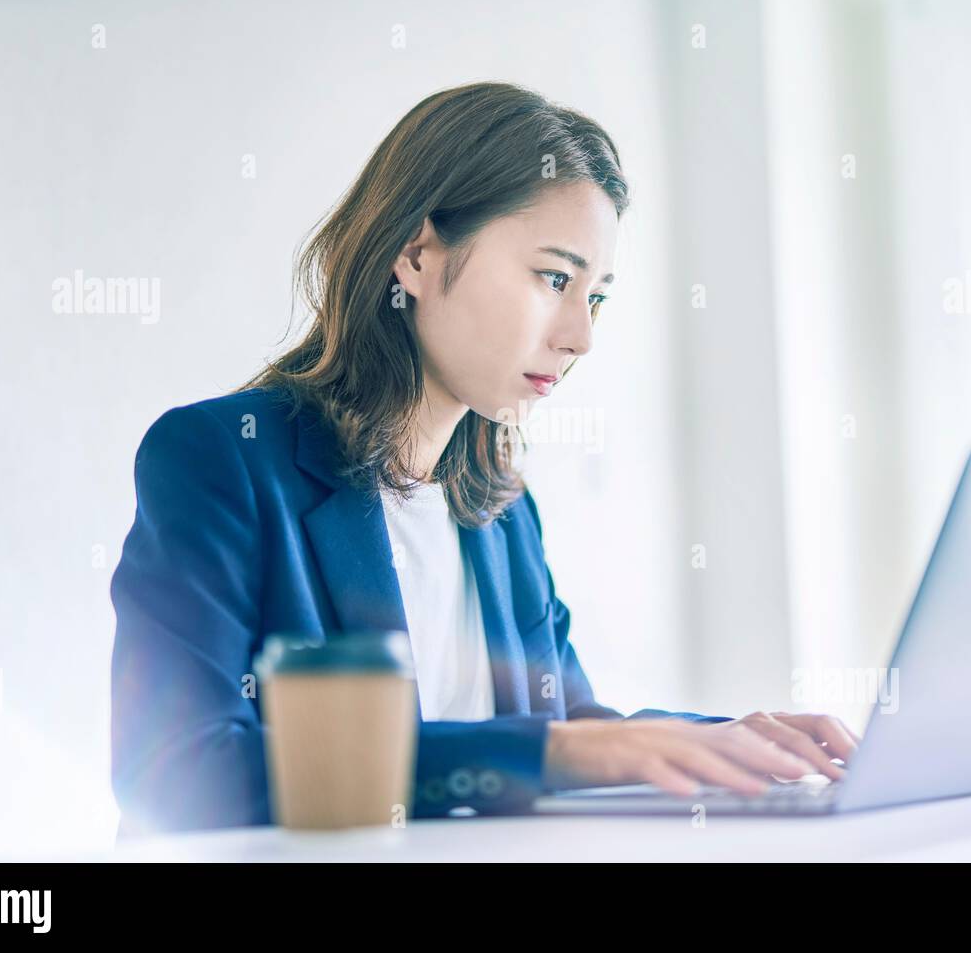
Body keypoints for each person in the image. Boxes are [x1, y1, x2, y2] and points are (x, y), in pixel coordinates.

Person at [109, 81, 859, 837]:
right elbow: (178, 770)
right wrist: (557, 750)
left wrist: (726, 740)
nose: (580, 336)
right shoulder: (219, 460)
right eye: (555, 278)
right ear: (416, 255)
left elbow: (568, 727)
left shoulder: (501, 508)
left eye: (595, 296)